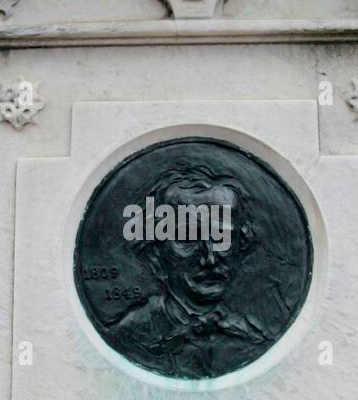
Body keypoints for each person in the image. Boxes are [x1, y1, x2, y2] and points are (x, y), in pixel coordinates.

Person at [107, 161, 267, 378]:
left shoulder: (251, 338)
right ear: (156, 252)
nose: (209, 258)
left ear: (242, 244)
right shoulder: (127, 336)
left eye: (222, 237)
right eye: (188, 238)